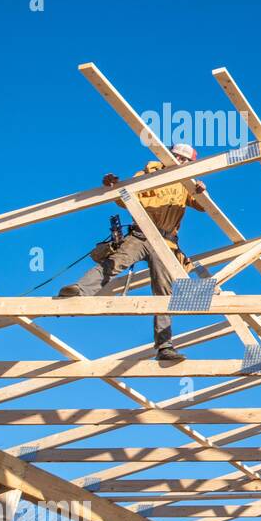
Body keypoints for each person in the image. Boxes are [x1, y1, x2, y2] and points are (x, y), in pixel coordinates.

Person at [58, 144, 207, 361]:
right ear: (168, 156)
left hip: (166, 243)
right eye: (177, 157)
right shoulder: (148, 174)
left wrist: (201, 190)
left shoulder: (186, 183)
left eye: (186, 161)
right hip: (141, 235)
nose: (181, 162)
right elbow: (124, 198)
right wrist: (113, 186)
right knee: (113, 264)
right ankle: (79, 291)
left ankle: (164, 347)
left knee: (163, 292)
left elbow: (202, 205)